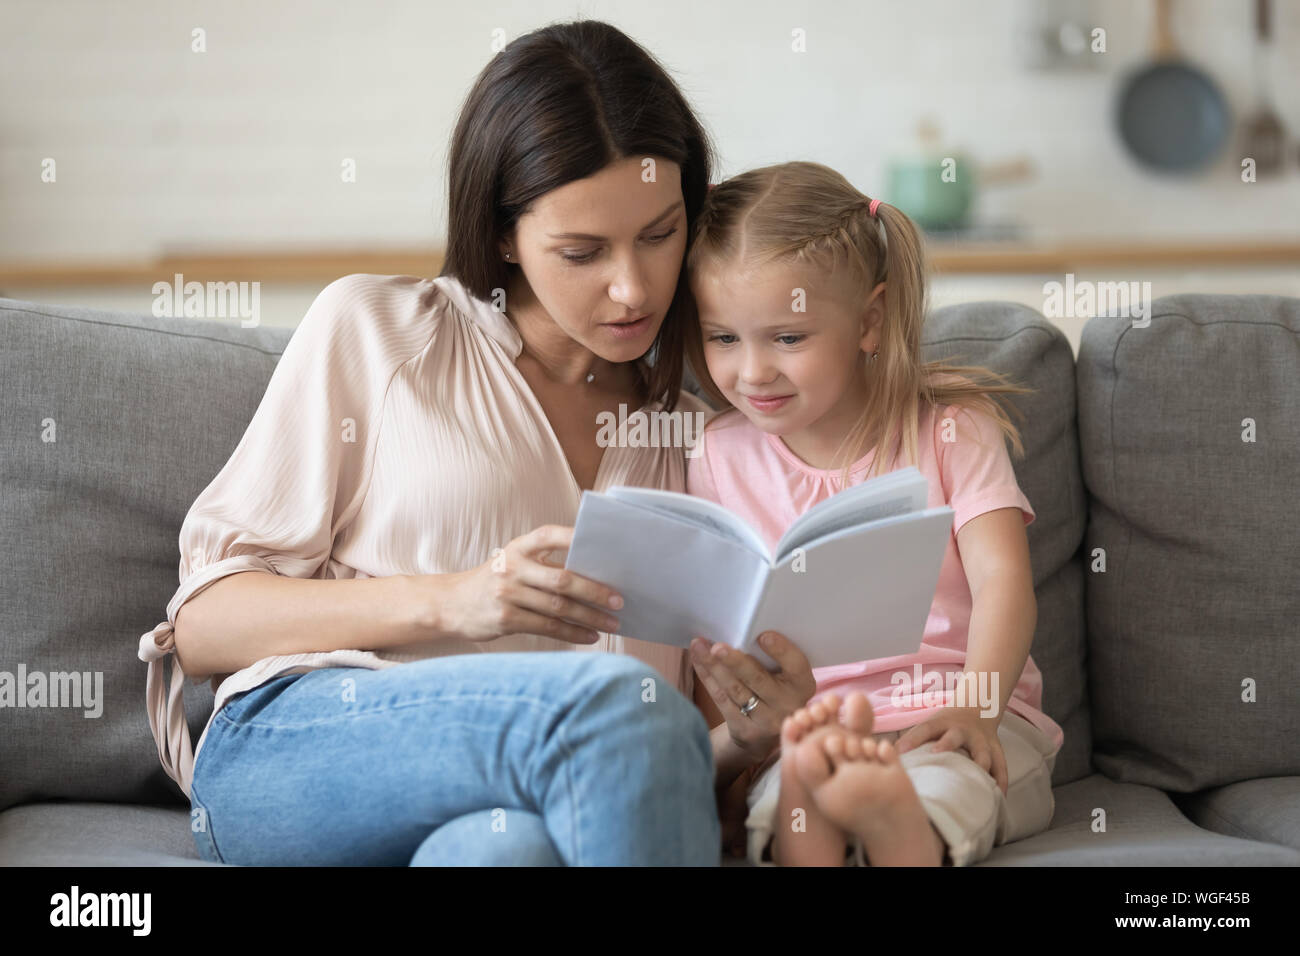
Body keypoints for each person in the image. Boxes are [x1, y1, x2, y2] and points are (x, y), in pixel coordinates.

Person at [136, 21, 814, 867]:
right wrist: (454, 600)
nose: (632, 286)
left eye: (659, 233)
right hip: (298, 749)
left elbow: (646, 768)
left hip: (523, 794)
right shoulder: (382, 334)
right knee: (621, 700)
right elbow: (203, 625)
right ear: (503, 236)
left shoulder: (697, 439)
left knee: (507, 854)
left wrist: (748, 742)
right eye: (581, 250)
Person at [683, 161, 1066, 866]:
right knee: (784, 805)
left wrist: (976, 707)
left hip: (958, 717)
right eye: (724, 338)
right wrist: (740, 767)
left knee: (950, 787)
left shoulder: (951, 431)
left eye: (788, 338)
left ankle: (896, 821)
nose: (752, 372)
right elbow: (716, 644)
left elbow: (1003, 582)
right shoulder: (711, 454)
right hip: (809, 730)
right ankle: (811, 806)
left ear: (869, 320)